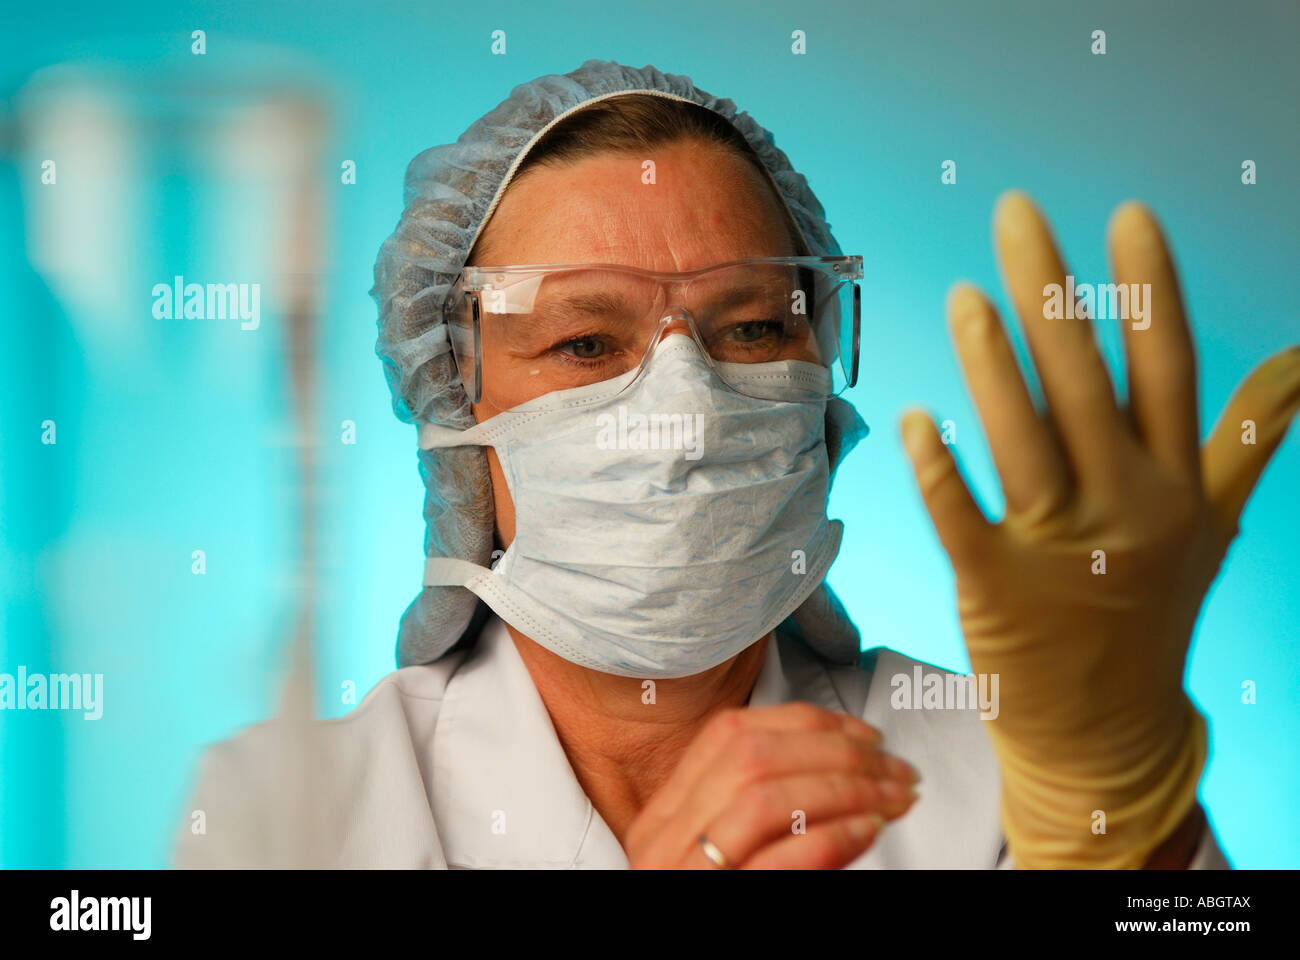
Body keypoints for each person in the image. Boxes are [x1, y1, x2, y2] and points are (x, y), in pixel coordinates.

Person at [173, 59, 1299, 870]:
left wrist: (1128, 807)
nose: (684, 406)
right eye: (583, 341)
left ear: (822, 395)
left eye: (753, 329)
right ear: (453, 416)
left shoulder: (1010, 764)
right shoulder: (283, 816)